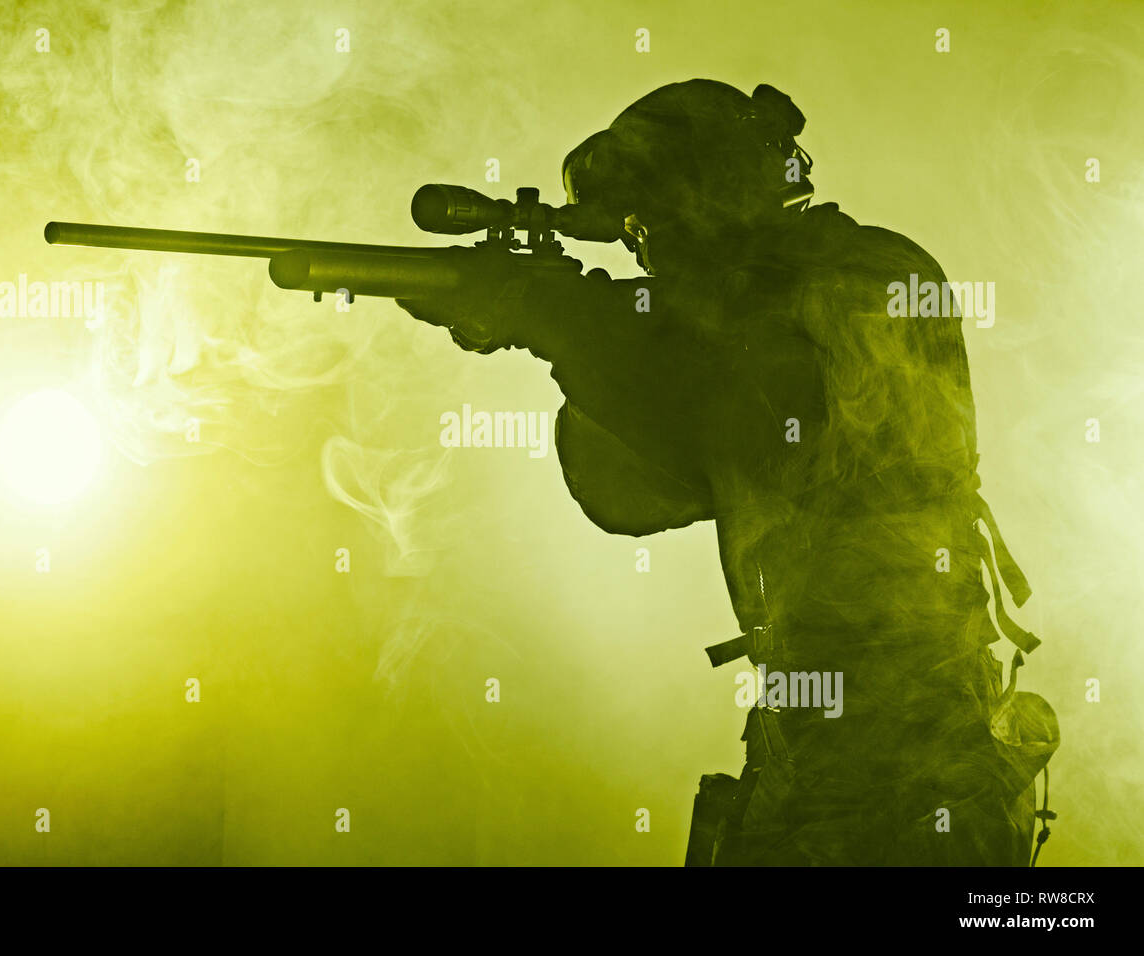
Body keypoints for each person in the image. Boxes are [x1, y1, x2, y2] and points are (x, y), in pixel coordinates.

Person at [396, 79, 1058, 866]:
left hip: (902, 747)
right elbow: (630, 497)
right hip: (807, 738)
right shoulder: (735, 314)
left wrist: (569, 322)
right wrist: (556, 326)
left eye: (650, 225)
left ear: (711, 201)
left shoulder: (867, 277)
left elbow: (764, 421)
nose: (645, 252)